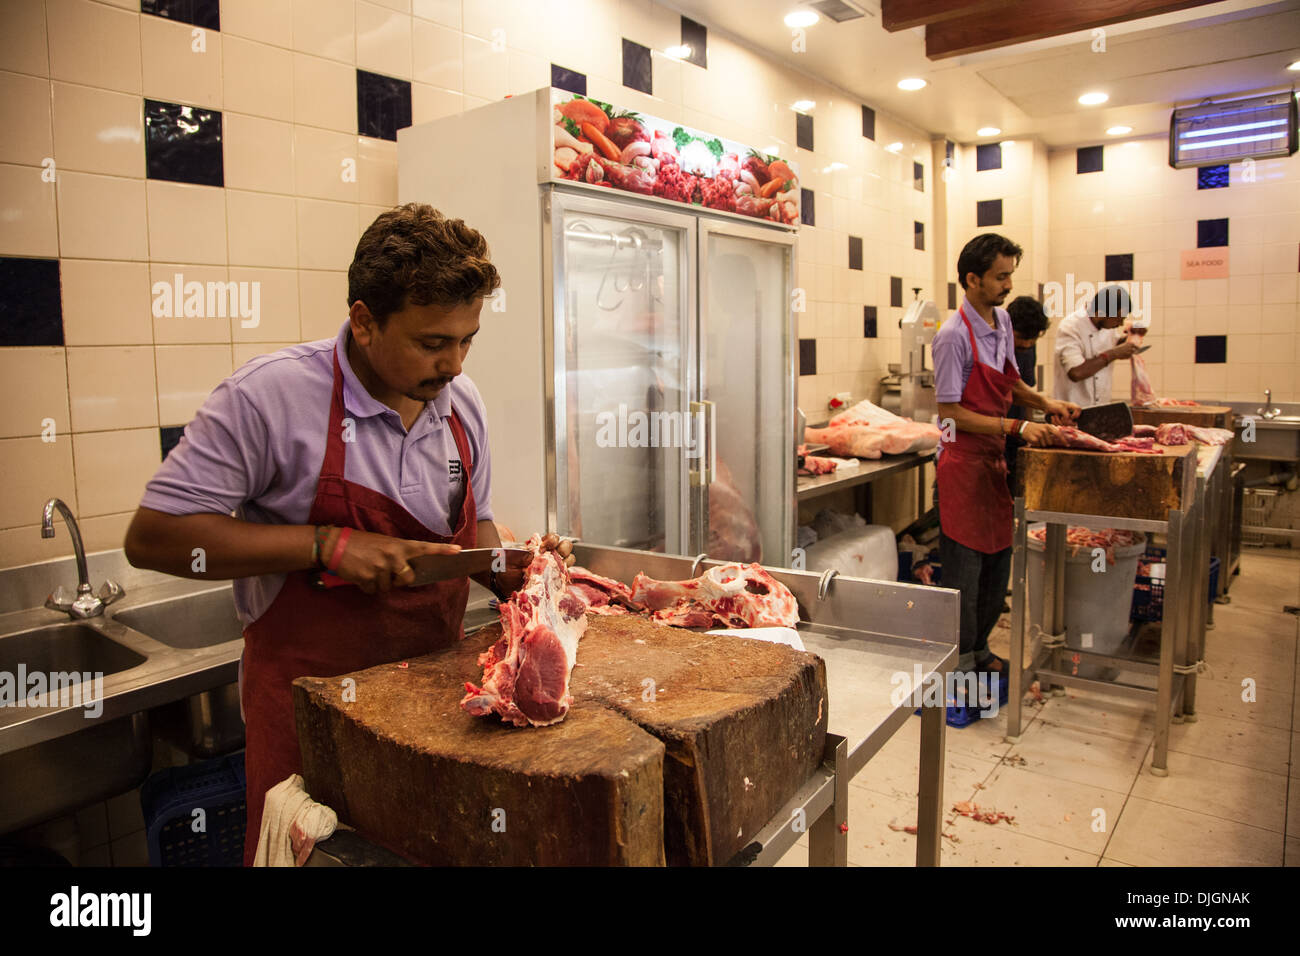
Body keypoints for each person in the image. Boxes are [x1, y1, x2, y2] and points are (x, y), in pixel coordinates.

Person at [123, 203, 571, 864]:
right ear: (364, 321)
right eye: (430, 342)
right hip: (311, 733)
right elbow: (155, 538)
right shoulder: (268, 399)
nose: (453, 362)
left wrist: (507, 564)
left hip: (434, 721)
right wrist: (324, 545)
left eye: (467, 338)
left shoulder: (460, 403)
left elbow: (471, 522)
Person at [932, 234, 1080, 691]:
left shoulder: (1001, 323)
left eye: (1010, 274)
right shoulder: (952, 336)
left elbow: (1012, 383)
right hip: (962, 465)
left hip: (992, 467)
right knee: (965, 576)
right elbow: (949, 412)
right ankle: (955, 667)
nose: (1008, 284)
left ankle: (979, 652)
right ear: (972, 279)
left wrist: (1045, 402)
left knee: (997, 569)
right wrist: (1016, 428)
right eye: (1000, 276)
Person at [1052, 285, 1142, 407]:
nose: (1120, 324)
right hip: (1072, 411)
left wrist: (1132, 338)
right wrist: (1114, 353)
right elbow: (1076, 372)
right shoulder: (1071, 327)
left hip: (1101, 408)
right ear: (1101, 313)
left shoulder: (1107, 326)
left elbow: (1110, 345)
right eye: (1118, 319)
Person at [1004, 295, 1050, 493]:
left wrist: (1028, 434)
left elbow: (1024, 390)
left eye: (1031, 342)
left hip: (1017, 433)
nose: (1025, 346)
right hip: (990, 435)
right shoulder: (988, 346)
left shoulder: (1028, 346)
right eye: (1021, 339)